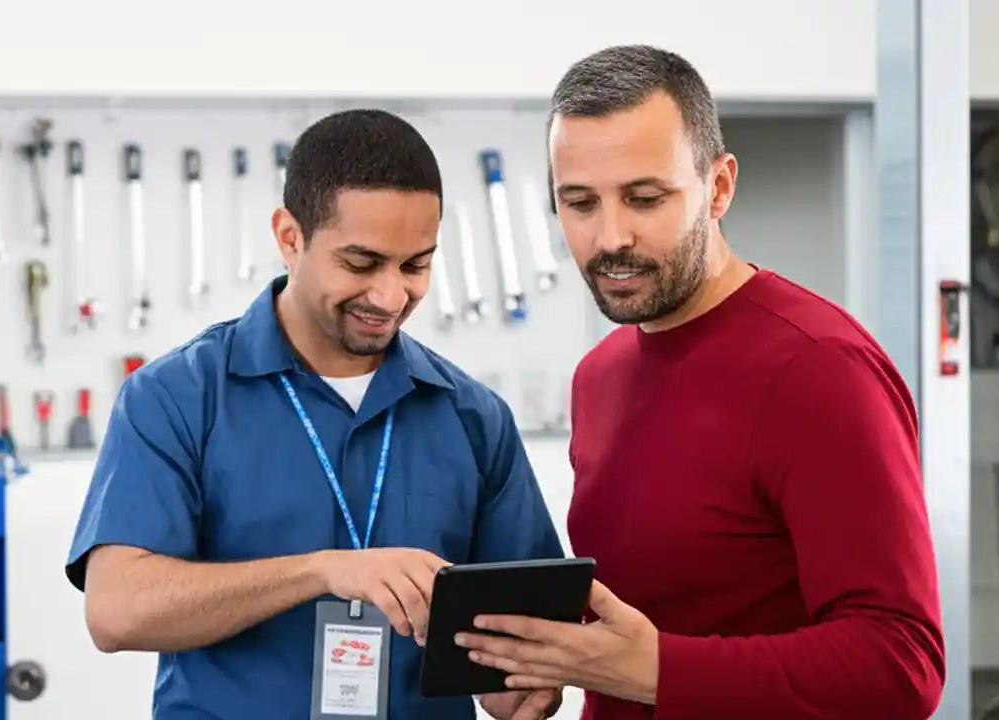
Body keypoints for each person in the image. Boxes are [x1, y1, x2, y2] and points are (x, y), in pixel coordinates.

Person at [455, 45, 946, 719]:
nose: (610, 237)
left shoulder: (821, 370)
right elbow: (656, 608)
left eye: (645, 198)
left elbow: (902, 664)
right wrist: (545, 666)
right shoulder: (599, 377)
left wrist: (658, 671)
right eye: (579, 203)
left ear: (718, 187)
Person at [65, 109, 564, 720]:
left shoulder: (474, 418)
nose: (390, 296)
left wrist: (526, 684)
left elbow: (509, 667)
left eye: (415, 265)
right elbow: (117, 612)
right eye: (360, 263)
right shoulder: (174, 396)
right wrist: (324, 572)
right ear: (289, 237)